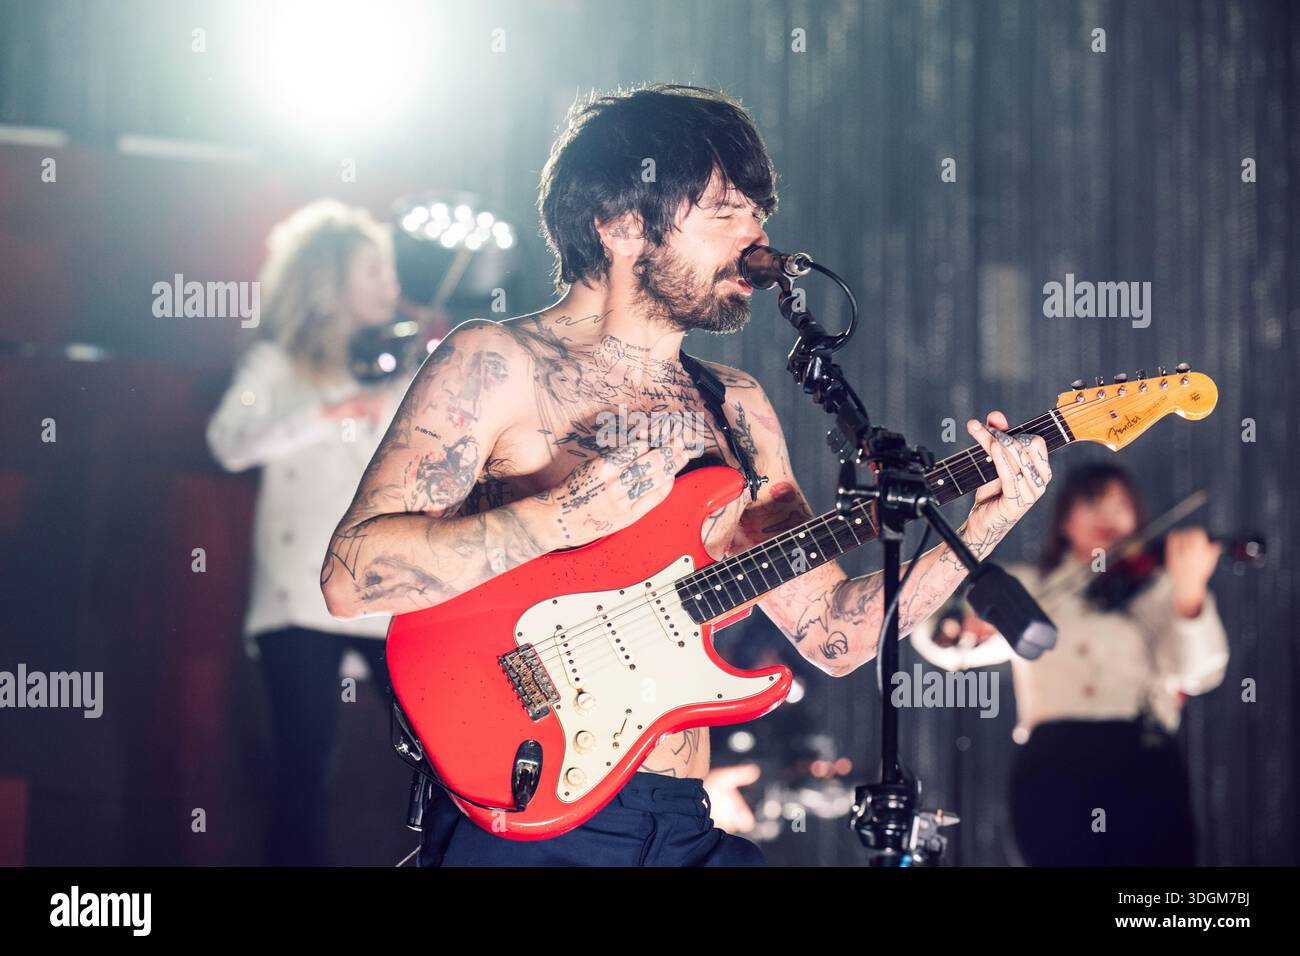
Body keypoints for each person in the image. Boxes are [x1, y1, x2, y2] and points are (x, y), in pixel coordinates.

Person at [320, 84, 1055, 867]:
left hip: (679, 820)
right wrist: (554, 521)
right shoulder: (495, 364)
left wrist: (981, 526)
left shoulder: (737, 408)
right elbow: (350, 576)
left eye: (758, 213)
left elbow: (833, 633)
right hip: (534, 810)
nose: (756, 237)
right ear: (620, 224)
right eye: (725, 212)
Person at [207, 198, 406, 865]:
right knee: (303, 773)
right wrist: (326, 411)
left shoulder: (398, 369)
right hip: (296, 601)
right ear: (332, 279)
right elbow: (230, 444)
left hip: (383, 600)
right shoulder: (276, 365)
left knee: (439, 756)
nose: (392, 286)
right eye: (375, 270)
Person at [909, 462, 1229, 865]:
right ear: (1065, 519)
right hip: (1054, 766)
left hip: (1141, 759)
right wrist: (958, 628)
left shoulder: (1159, 587)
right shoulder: (1029, 585)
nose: (1109, 517)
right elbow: (936, 636)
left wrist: (1189, 594)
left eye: (1121, 505)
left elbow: (1200, 673)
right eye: (1093, 503)